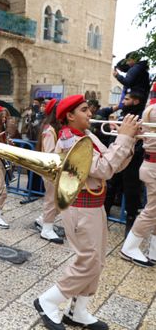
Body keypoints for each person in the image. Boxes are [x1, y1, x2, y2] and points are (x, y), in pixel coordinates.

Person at [34, 95, 139, 330]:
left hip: (93, 206)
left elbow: (114, 165)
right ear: (70, 116)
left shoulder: (86, 136)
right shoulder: (70, 141)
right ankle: (48, 300)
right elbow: (104, 168)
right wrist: (123, 138)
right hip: (80, 207)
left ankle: (78, 311)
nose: (90, 113)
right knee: (88, 261)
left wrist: (128, 140)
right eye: (84, 110)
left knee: (97, 260)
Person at [120, 98, 156, 267]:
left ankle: (154, 251)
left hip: (151, 164)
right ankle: (130, 248)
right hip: (154, 166)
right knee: (152, 210)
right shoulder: (154, 110)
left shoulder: (150, 107)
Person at [34, 98, 63, 244]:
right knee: (53, 200)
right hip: (52, 169)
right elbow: (51, 153)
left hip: (55, 169)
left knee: (57, 200)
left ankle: (43, 220)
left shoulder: (53, 128)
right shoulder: (50, 130)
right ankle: (46, 229)